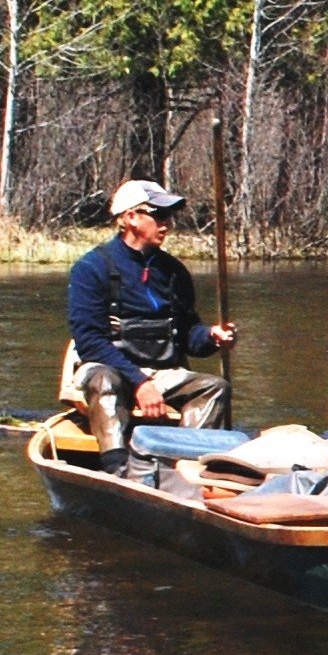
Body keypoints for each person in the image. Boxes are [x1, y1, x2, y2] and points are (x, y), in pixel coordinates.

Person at [63, 180, 240, 475]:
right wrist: (140, 383)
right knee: (104, 381)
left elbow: (187, 335)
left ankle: (183, 465)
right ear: (130, 217)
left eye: (170, 216)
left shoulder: (174, 272)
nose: (167, 223)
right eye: (159, 215)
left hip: (162, 373)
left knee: (214, 388)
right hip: (109, 368)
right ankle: (115, 466)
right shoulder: (91, 268)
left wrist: (211, 336)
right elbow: (90, 341)